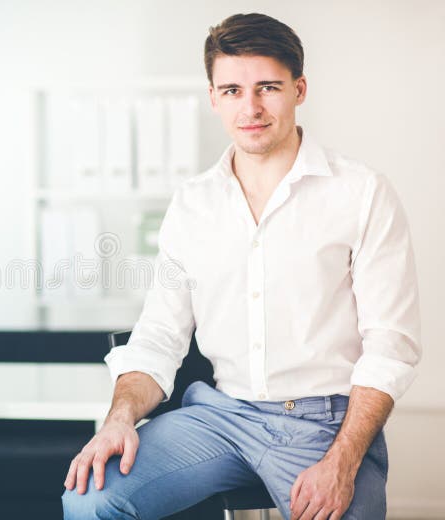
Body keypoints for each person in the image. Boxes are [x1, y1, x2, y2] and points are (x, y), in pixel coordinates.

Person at [62, 12, 422, 520]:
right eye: (232, 90)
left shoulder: (361, 194)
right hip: (220, 416)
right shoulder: (192, 204)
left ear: (299, 90)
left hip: (324, 423)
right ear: (214, 97)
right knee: (90, 498)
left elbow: (390, 344)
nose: (250, 108)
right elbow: (159, 335)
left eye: (267, 88)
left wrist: (343, 459)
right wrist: (118, 418)